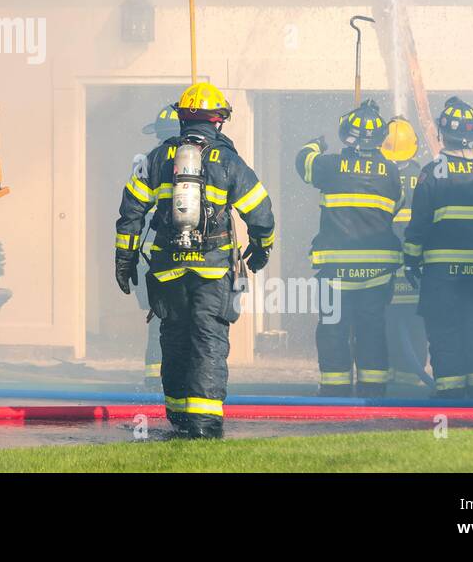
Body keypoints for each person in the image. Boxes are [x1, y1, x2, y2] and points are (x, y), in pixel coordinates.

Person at [115, 81, 275, 438]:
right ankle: (204, 423)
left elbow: (130, 213)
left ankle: (179, 418)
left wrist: (124, 259)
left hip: (167, 268)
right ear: (218, 120)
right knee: (208, 338)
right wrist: (262, 246)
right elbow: (260, 211)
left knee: (173, 337)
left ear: (182, 117)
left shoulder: (156, 158)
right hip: (212, 267)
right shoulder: (228, 160)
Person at [294, 100, 403, 397]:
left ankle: (334, 390)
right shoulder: (392, 172)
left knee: (333, 328)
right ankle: (373, 388)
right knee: (372, 328)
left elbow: (302, 162)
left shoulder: (328, 165)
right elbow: (398, 205)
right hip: (377, 271)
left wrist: (314, 144)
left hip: (335, 269)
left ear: (346, 135)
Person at [404, 97, 473, 399]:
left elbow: (418, 223)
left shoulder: (432, 172)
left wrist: (410, 260)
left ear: (442, 135)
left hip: (441, 274)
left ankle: (450, 395)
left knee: (444, 330)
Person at [133, 103, 180, 388]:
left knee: (157, 321)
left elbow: (132, 213)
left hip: (152, 258)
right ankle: (177, 380)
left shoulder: (148, 162)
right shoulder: (202, 160)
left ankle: (154, 383)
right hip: (190, 258)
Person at [382, 117, 430, 389]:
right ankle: (411, 380)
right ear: (414, 147)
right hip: (415, 270)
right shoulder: (425, 176)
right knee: (415, 326)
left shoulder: (377, 176)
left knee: (383, 325)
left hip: (383, 270)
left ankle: (386, 381)